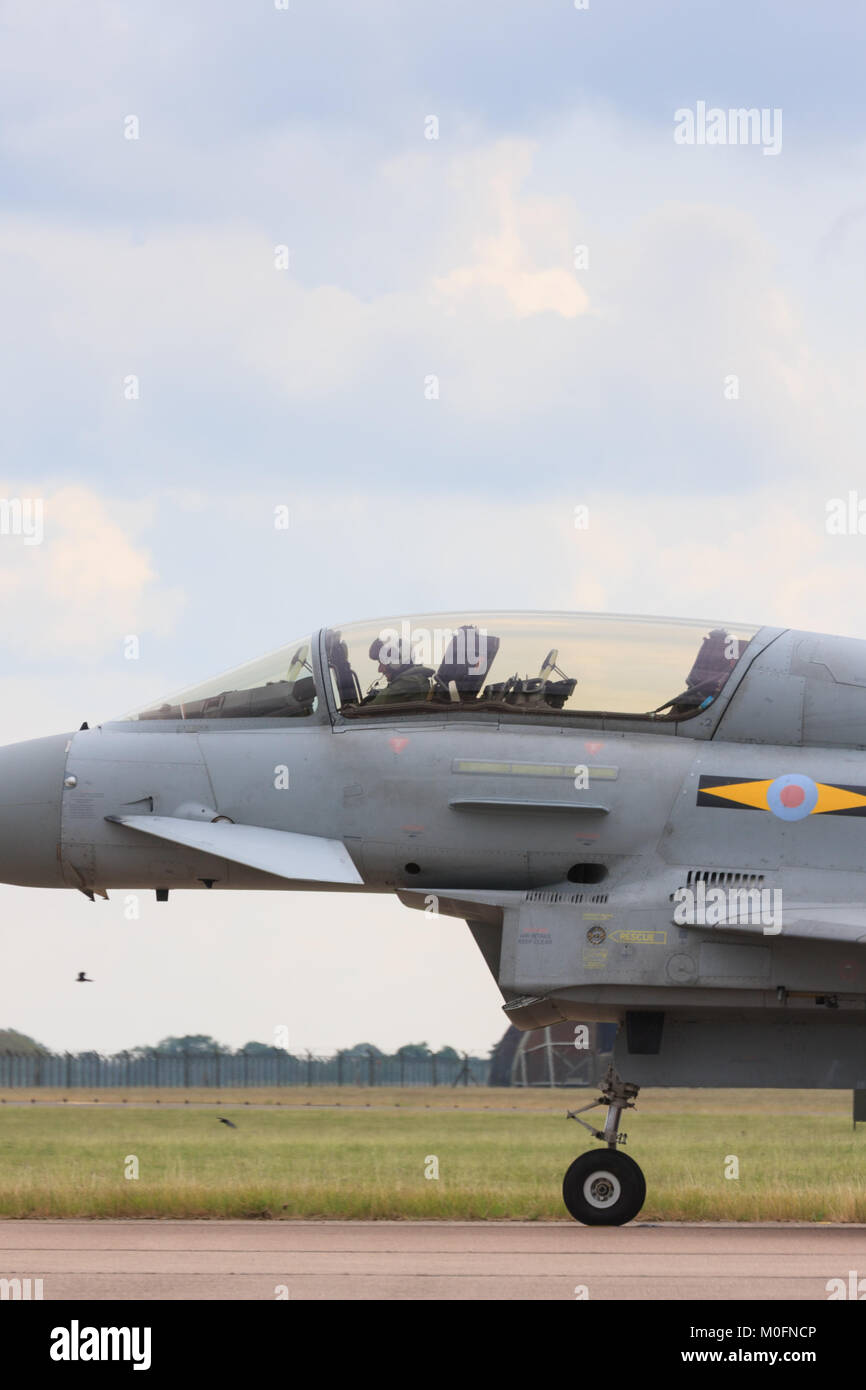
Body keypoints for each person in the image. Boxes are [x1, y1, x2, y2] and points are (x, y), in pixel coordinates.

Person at [365, 637, 434, 705]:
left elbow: (365, 711)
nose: (379, 670)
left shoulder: (407, 684)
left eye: (381, 663)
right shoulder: (415, 679)